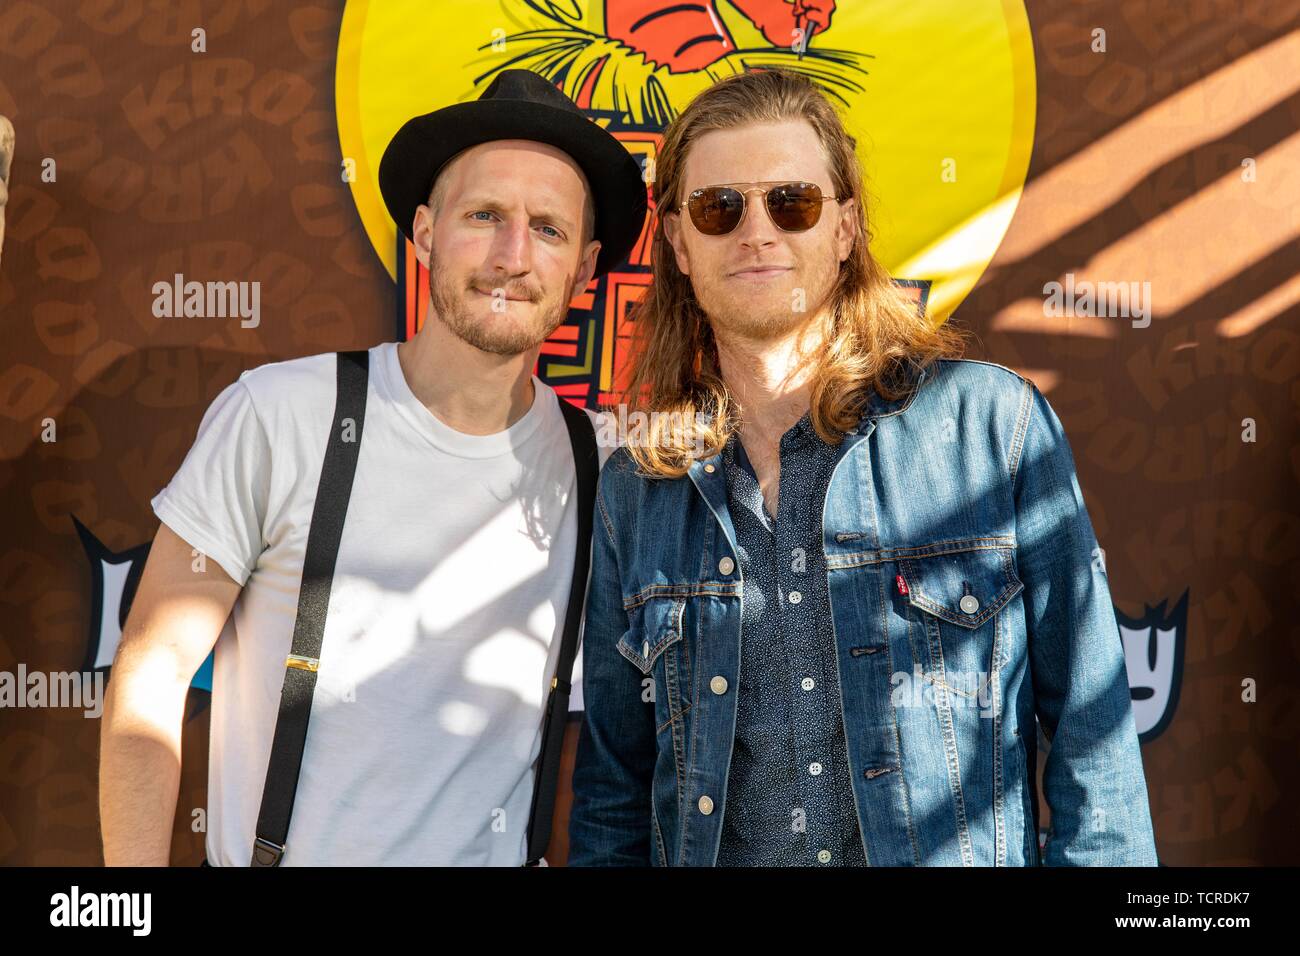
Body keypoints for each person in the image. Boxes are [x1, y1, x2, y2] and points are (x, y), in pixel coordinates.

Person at [567, 68, 1158, 866]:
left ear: (844, 228)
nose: (758, 233)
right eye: (718, 208)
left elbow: (1096, 748)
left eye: (792, 203)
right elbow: (613, 800)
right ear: (676, 241)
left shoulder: (993, 428)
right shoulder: (637, 491)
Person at [99, 69, 645, 866]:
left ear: (586, 268)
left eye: (549, 229)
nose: (512, 255)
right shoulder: (281, 416)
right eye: (484, 215)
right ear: (424, 232)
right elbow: (150, 679)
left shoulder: (603, 466)